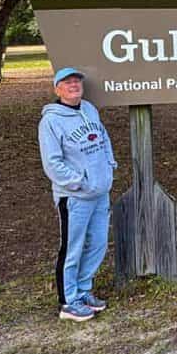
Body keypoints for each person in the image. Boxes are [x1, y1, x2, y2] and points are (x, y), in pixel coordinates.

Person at [38, 67, 117, 321]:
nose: (74, 85)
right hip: (74, 198)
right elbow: (53, 164)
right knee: (72, 248)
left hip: (100, 192)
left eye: (76, 81)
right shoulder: (50, 121)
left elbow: (103, 140)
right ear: (57, 89)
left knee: (98, 244)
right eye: (67, 82)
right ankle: (68, 302)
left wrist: (109, 168)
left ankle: (83, 291)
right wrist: (79, 183)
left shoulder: (89, 110)